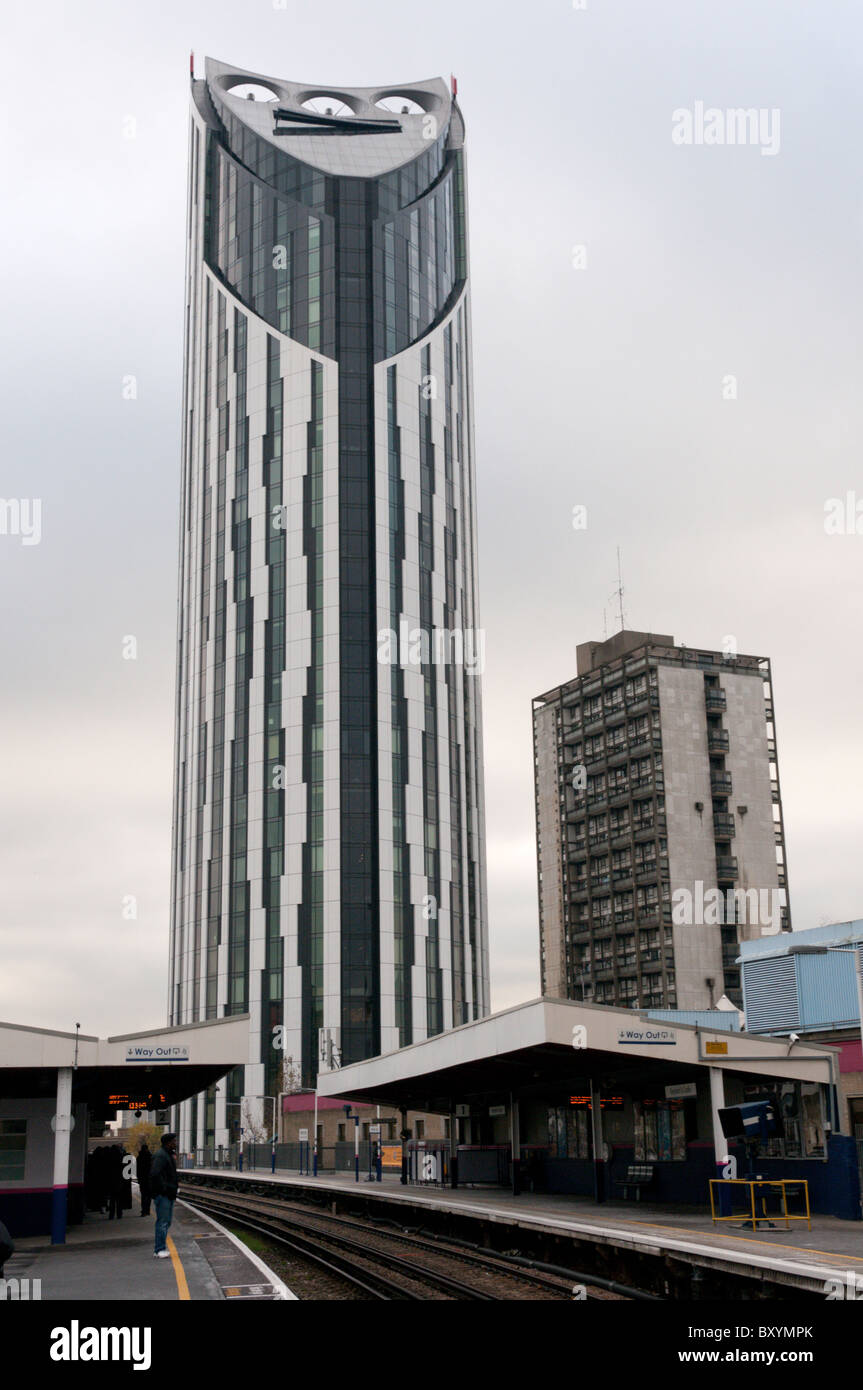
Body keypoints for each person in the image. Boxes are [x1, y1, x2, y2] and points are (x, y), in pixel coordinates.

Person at [149, 1133, 179, 1258]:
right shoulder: (161, 1156)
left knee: (166, 1221)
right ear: (168, 1143)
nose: (175, 1143)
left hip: (167, 1194)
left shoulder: (166, 1155)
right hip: (164, 1195)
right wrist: (165, 1189)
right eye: (174, 1141)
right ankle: (159, 1249)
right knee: (163, 1222)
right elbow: (155, 1174)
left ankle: (160, 1248)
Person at [136, 1141, 152, 1217]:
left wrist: (138, 1178)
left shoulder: (139, 1157)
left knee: (143, 1195)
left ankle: (143, 1211)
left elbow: (137, 1169)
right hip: (149, 1179)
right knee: (149, 1196)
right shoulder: (150, 1156)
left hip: (142, 1179)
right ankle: (147, 1210)